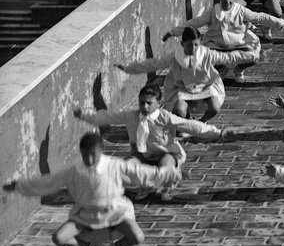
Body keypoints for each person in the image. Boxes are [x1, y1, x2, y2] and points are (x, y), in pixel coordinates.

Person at [3, 132, 180, 246]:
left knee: (138, 237)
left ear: (100, 152)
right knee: (59, 237)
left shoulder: (115, 165)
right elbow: (48, 182)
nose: (89, 160)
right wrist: (20, 186)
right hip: (85, 215)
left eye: (93, 155)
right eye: (85, 155)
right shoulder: (74, 170)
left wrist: (171, 173)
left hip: (115, 212)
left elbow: (142, 173)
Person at [72, 84, 224, 198]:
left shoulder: (166, 117)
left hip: (166, 154)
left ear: (158, 102)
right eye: (141, 102)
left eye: (149, 103)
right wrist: (84, 115)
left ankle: (167, 184)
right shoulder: (130, 116)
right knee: (125, 168)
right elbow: (107, 117)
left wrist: (217, 133)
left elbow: (191, 126)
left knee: (165, 168)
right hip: (141, 155)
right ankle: (145, 183)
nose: (144, 106)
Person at [135, 27, 259, 121]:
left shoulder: (206, 54)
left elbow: (228, 56)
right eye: (190, 45)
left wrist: (251, 55)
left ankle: (201, 122)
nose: (193, 48)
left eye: (196, 45)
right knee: (179, 111)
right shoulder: (175, 57)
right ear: (182, 44)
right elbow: (156, 63)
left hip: (205, 86)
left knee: (215, 109)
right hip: (183, 88)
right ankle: (189, 121)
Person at [175, 0, 284, 79]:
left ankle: (239, 70)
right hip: (216, 44)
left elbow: (259, 17)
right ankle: (221, 68)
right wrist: (175, 31)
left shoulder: (240, 10)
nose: (227, 1)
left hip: (239, 43)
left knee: (255, 56)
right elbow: (197, 22)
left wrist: (281, 23)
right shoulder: (213, 11)